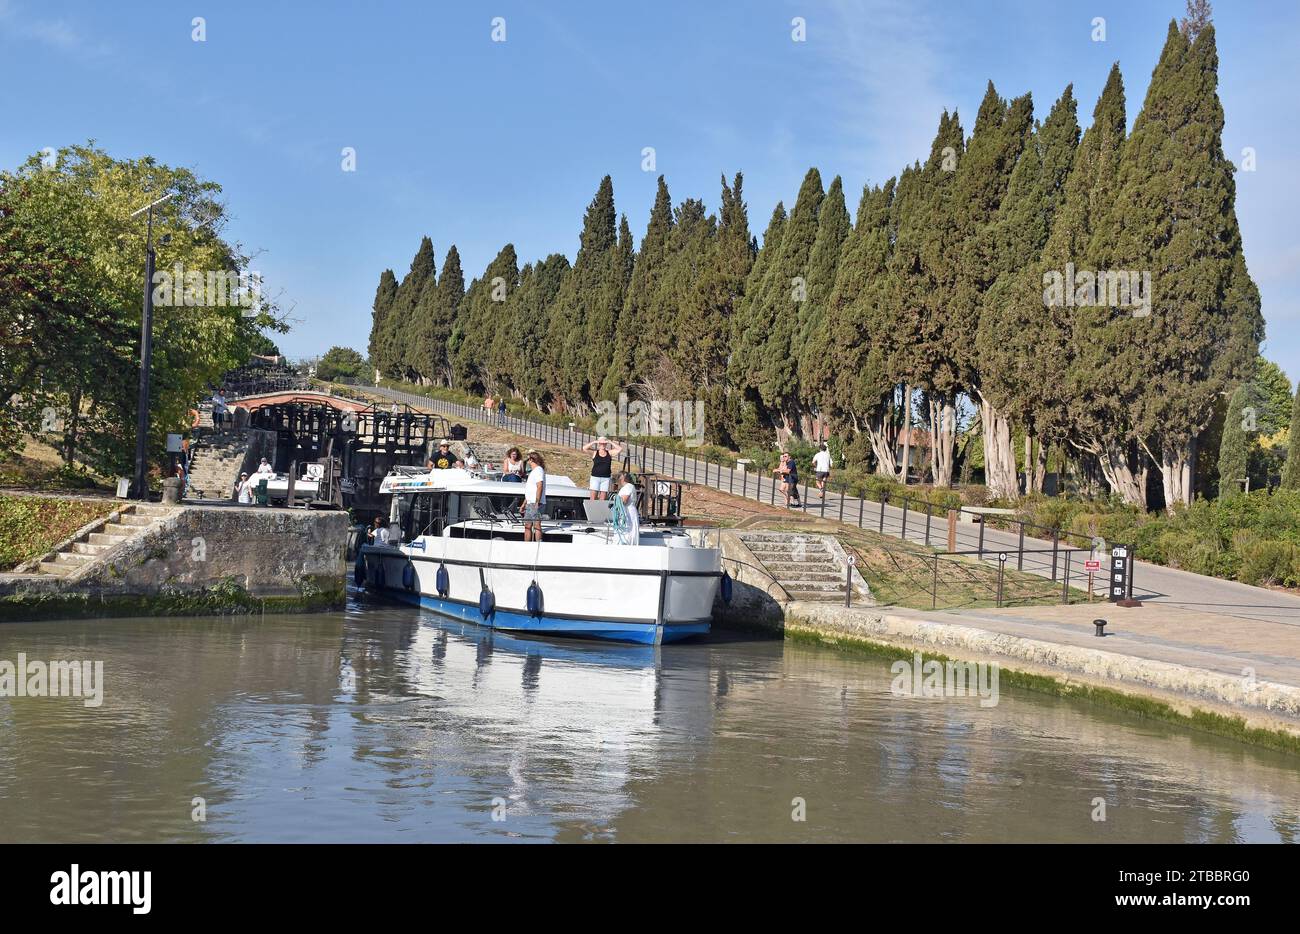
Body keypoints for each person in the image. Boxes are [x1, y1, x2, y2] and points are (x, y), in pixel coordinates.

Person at [582, 436, 622, 500]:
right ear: (599, 444)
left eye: (604, 443)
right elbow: (584, 448)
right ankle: (592, 509)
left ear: (606, 444)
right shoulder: (595, 452)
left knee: (602, 498)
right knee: (593, 497)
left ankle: (600, 509)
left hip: (606, 478)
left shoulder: (609, 452)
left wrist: (610, 442)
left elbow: (620, 449)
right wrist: (594, 442)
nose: (602, 445)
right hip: (595, 477)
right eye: (601, 443)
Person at [523, 451, 546, 542]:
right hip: (530, 502)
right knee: (527, 526)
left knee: (536, 525)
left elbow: (539, 486)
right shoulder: (533, 472)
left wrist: (537, 502)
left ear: (532, 460)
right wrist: (524, 504)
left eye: (528, 460)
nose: (528, 462)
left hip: (535, 503)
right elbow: (530, 490)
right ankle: (527, 544)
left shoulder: (538, 470)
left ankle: (537, 544)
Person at [614, 472, 641, 546]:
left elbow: (624, 501)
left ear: (621, 479)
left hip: (628, 512)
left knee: (628, 533)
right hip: (624, 512)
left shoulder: (628, 487)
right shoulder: (625, 487)